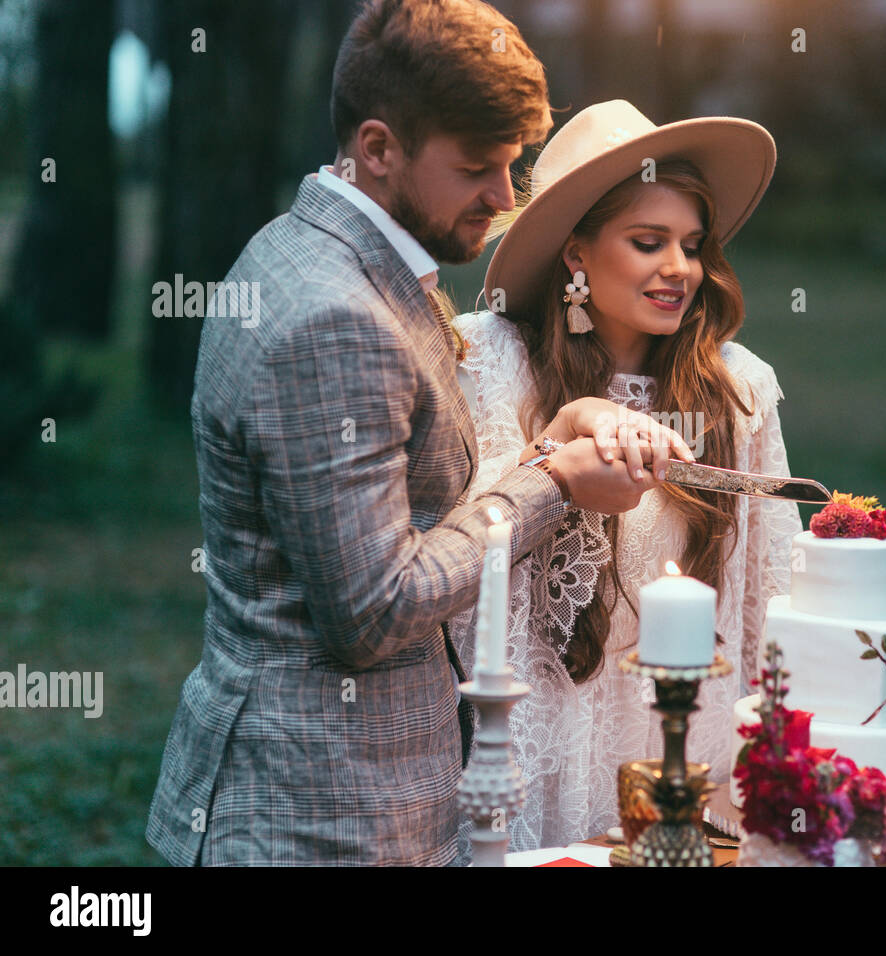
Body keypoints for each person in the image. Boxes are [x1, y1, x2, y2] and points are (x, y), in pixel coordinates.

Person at [145, 2, 689, 867]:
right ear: (378, 147)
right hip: (315, 815)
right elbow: (371, 611)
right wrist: (554, 480)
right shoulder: (335, 318)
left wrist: (559, 431)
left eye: (512, 166)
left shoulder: (313, 247)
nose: (505, 199)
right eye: (477, 168)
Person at [450, 100, 803, 850]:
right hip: (532, 735)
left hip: (680, 742)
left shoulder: (737, 391)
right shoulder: (489, 363)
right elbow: (454, 551)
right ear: (576, 252)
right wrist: (554, 453)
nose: (680, 269)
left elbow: (769, 601)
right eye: (649, 242)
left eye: (692, 245)